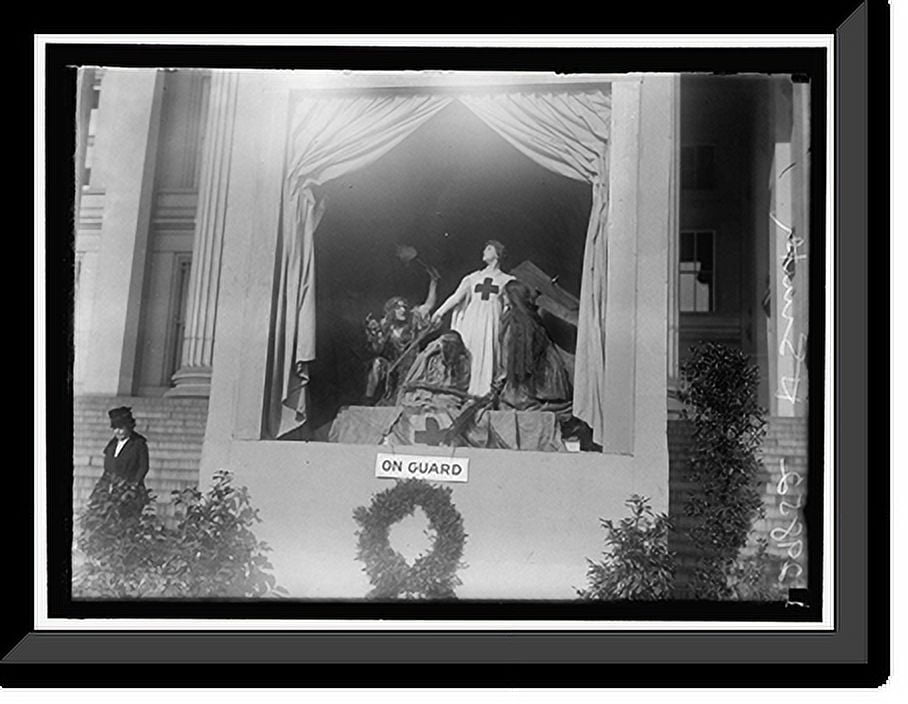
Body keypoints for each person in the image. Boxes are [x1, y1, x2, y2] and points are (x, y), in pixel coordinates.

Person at [431, 240, 514, 396]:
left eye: (489, 249)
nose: (484, 251)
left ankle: (485, 393)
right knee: (471, 352)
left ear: (498, 254)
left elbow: (509, 305)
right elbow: (456, 297)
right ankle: (467, 390)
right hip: (473, 320)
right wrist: (440, 312)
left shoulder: (507, 280)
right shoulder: (473, 277)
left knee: (489, 353)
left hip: (492, 320)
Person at [496, 279, 573, 420]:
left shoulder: (517, 321)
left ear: (512, 297)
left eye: (504, 295)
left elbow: (515, 353)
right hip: (541, 367)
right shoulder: (529, 315)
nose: (501, 297)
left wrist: (504, 375)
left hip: (535, 373)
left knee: (514, 402)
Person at [364, 266, 440, 405]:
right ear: (391, 310)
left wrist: (433, 283)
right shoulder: (385, 324)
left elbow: (428, 305)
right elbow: (377, 349)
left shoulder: (413, 318)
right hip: (392, 366)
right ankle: (368, 399)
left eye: (405, 306)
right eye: (398, 307)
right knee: (377, 363)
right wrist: (374, 336)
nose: (403, 310)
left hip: (411, 365)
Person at [86, 407, 151, 517]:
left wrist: (133, 485)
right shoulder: (112, 444)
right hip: (110, 490)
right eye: (115, 428)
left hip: (129, 491)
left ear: (129, 427)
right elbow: (107, 469)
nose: (117, 432)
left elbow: (143, 467)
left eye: (121, 428)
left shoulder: (138, 443)